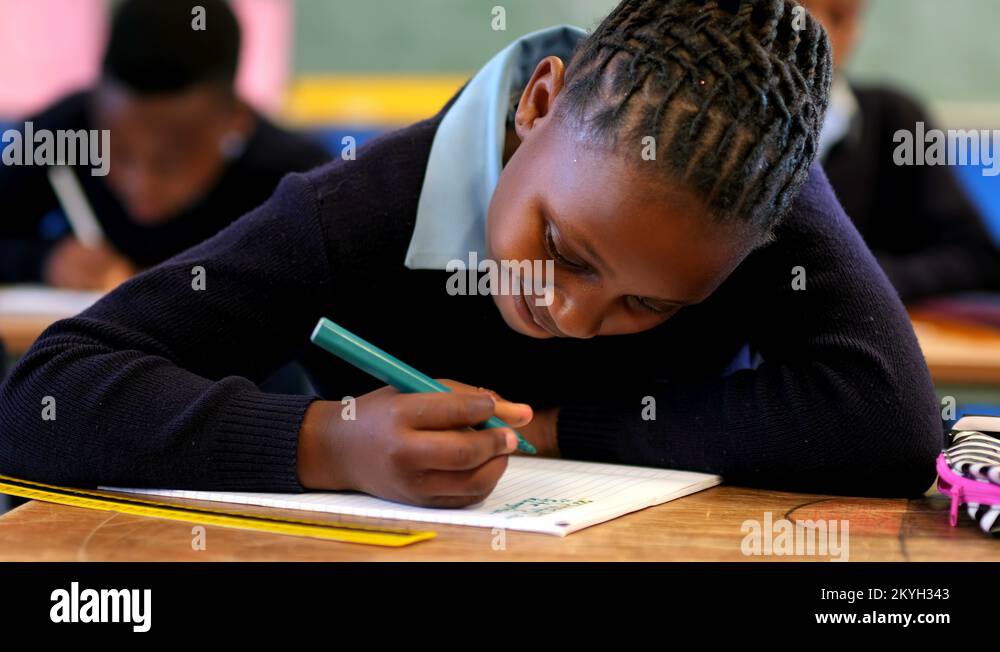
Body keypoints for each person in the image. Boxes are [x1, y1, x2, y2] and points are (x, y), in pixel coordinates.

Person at [0, 0, 941, 506]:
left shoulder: (748, 187)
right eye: (564, 251)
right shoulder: (357, 208)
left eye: (650, 306)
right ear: (538, 105)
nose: (571, 316)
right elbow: (49, 393)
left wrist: (558, 429)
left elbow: (891, 423)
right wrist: (325, 443)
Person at [0, 0, 329, 290]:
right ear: (96, 101)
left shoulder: (295, 180)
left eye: (172, 161)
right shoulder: (58, 134)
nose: (139, 183)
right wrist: (41, 262)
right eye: (116, 151)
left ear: (236, 123)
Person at [804, 0, 1000, 302]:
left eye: (839, 17)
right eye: (795, 14)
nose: (817, 33)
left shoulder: (896, 121)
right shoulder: (726, 129)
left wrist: (858, 278)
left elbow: (978, 259)